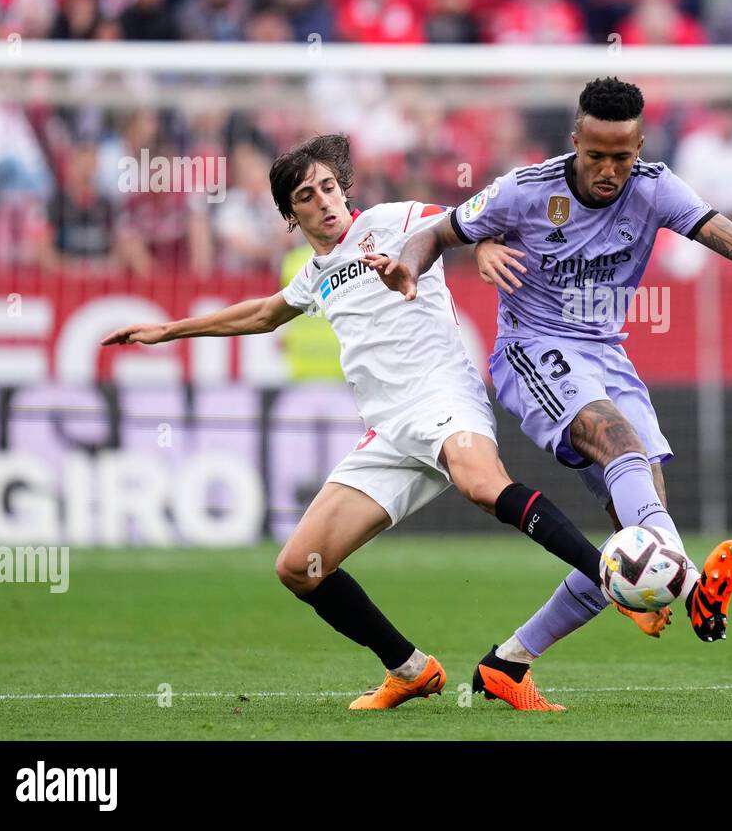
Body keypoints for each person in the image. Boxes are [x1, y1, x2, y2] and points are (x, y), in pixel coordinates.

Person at [100, 134, 609, 710]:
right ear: (290, 216)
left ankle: (612, 578)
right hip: (389, 433)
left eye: (328, 186)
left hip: (443, 396)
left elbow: (468, 220)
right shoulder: (315, 272)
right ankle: (411, 669)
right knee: (299, 568)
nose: (323, 200)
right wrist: (167, 330)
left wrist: (486, 243)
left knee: (482, 486)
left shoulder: (396, 219)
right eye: (306, 195)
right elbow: (266, 313)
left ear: (343, 189)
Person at [380, 77, 732, 709]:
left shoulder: (654, 187)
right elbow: (438, 232)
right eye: (596, 154)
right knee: (621, 455)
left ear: (639, 146)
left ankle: (506, 664)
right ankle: (694, 581)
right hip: (532, 350)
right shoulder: (525, 189)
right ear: (576, 141)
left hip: (608, 357)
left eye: (621, 156)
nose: (608, 169)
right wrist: (412, 263)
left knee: (634, 537)